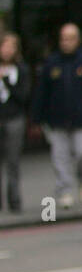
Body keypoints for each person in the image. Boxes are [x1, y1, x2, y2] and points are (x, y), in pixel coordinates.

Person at [31, 23, 82, 210]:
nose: (66, 42)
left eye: (70, 38)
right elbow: (41, 92)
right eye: (63, 38)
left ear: (78, 40)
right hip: (57, 119)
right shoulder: (52, 63)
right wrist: (36, 118)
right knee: (60, 157)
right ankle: (64, 190)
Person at [0, 32, 31, 213]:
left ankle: (14, 200)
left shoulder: (21, 69)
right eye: (4, 46)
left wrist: (6, 81)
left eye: (11, 47)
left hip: (14, 118)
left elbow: (23, 96)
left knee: (13, 161)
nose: (7, 50)